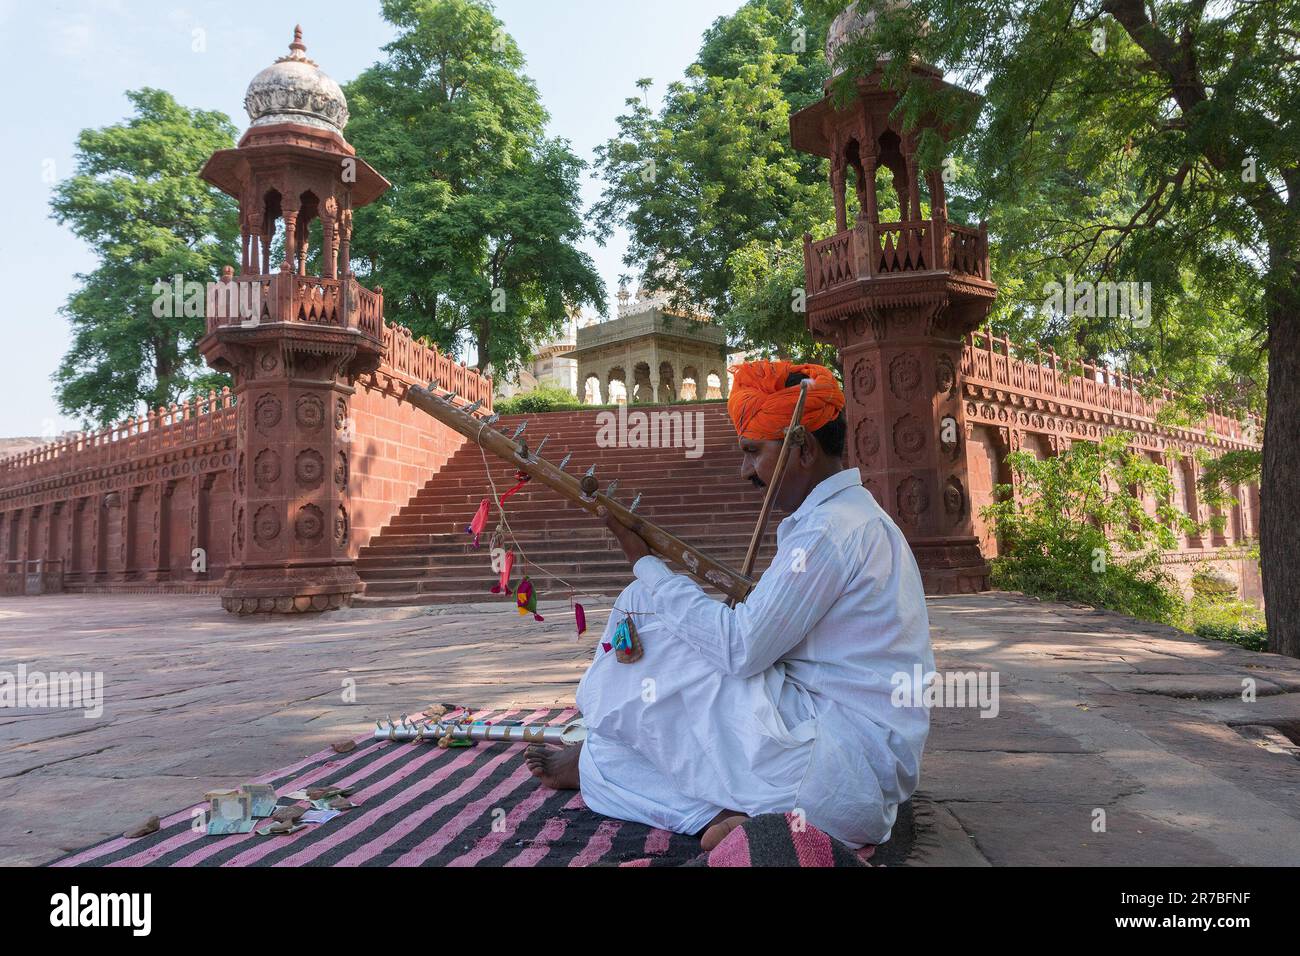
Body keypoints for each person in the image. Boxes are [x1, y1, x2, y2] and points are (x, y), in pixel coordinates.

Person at [526, 360, 933, 850]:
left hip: (828, 770)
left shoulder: (829, 531)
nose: (746, 472)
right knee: (609, 762)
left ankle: (613, 755)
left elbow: (742, 648)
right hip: (848, 782)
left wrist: (646, 564)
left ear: (800, 448)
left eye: (752, 452)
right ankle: (727, 815)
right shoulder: (849, 517)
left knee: (645, 608)